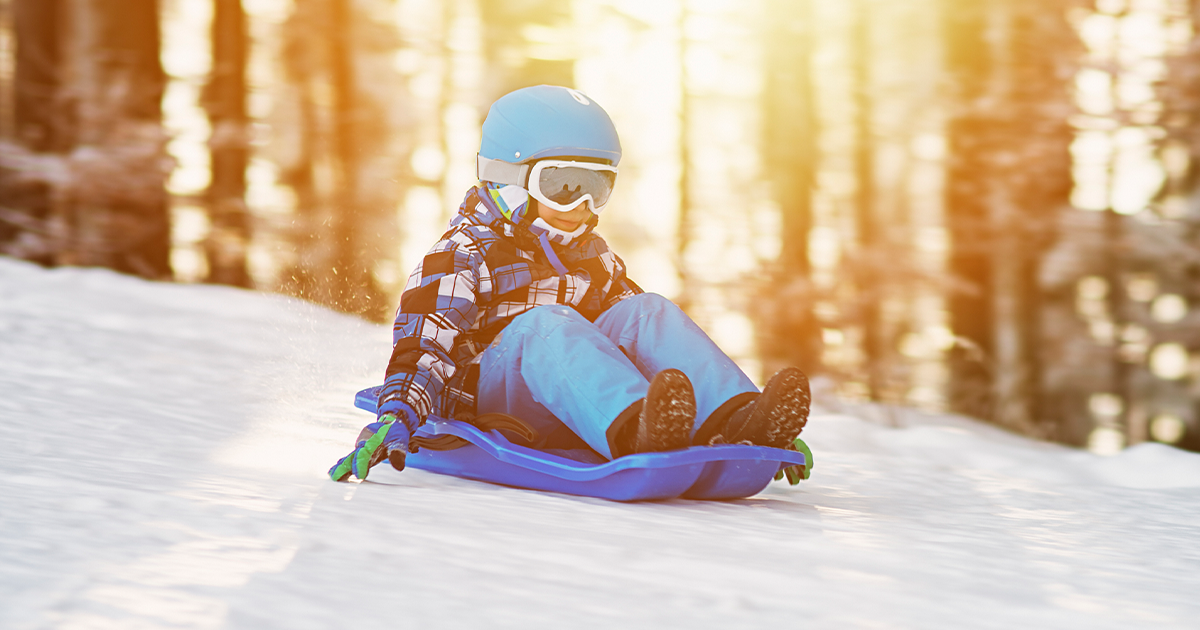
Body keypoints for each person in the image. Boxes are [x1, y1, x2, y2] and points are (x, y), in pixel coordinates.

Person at [330, 85, 811, 482]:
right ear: (510, 180)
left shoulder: (593, 255)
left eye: (597, 185)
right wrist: (395, 416)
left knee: (648, 309)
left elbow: (644, 341)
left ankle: (738, 418)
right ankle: (636, 429)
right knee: (547, 324)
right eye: (561, 184)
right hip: (495, 401)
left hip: (576, 396)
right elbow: (424, 346)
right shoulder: (462, 253)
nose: (581, 203)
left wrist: (765, 431)